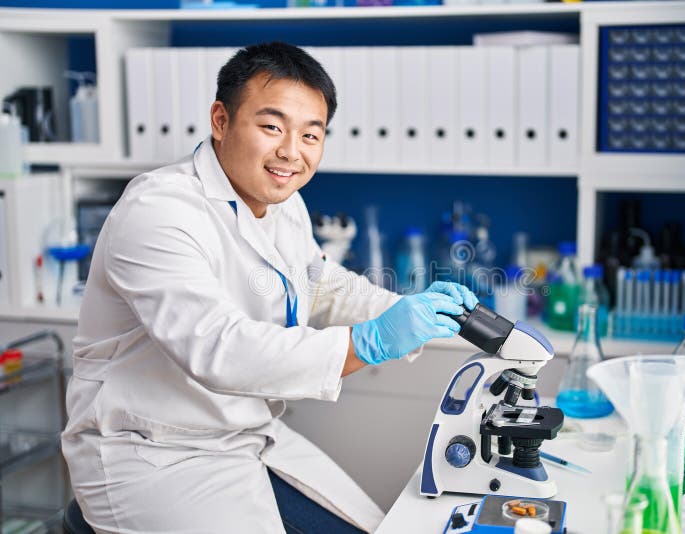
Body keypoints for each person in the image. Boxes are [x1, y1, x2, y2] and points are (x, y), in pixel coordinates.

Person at [61, 41, 477, 534]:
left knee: (371, 528)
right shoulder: (158, 211)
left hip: (242, 434)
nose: (290, 152)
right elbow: (218, 347)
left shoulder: (282, 205)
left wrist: (408, 308)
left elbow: (321, 284)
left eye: (310, 135)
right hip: (151, 455)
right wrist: (371, 341)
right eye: (272, 127)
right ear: (220, 120)